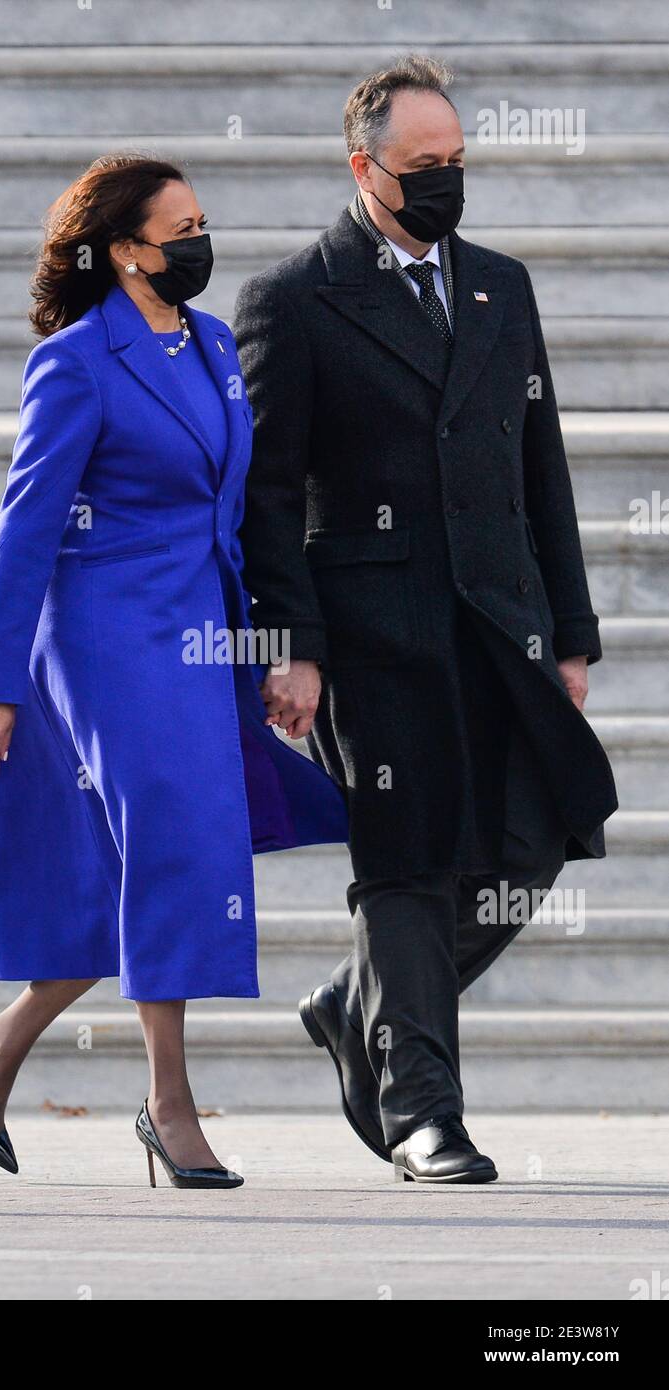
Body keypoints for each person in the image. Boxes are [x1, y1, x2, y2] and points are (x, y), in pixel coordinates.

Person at [0, 153, 347, 1189]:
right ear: (125, 249)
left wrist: (272, 645)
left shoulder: (213, 346)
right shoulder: (78, 361)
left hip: (199, 636)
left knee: (129, 869)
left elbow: (240, 513)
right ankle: (168, 1107)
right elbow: (24, 528)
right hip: (102, 641)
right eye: (180, 227)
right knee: (171, 843)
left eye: (202, 222)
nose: (198, 242)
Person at [233, 57, 618, 1184]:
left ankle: (363, 1003)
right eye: (424, 165)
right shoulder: (294, 298)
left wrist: (572, 631)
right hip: (372, 628)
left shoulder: (502, 285)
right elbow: (267, 495)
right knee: (408, 860)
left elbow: (537, 465)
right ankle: (422, 1112)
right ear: (366, 169)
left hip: (503, 618)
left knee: (539, 831)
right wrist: (291, 647)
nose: (448, 180)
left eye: (458, 161)